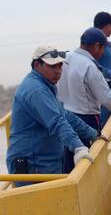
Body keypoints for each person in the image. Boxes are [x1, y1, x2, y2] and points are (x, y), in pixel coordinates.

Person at [6, 45, 98, 186]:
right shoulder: (36, 90)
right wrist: (78, 147)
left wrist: (93, 134)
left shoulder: (46, 85)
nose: (58, 71)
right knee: (38, 207)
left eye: (60, 66)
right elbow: (56, 121)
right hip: (32, 165)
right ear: (37, 65)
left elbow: (64, 114)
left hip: (43, 161)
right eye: (53, 66)